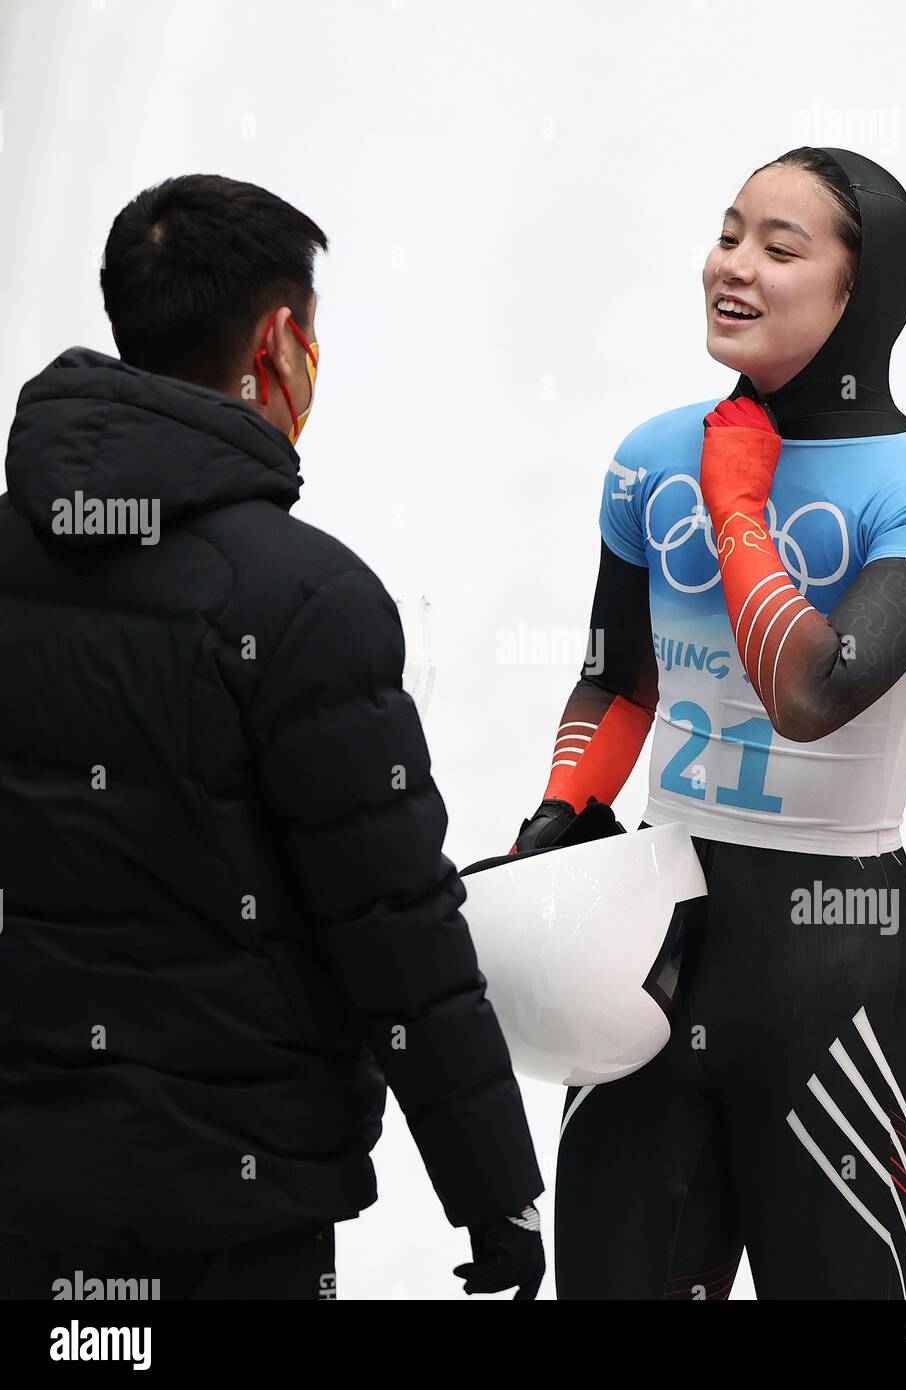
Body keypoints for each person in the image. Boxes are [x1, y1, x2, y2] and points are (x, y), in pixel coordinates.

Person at [0, 174, 544, 1300]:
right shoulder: (308, 599)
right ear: (280, 341)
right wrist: (491, 1188)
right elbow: (389, 918)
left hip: (30, 1175)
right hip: (236, 1205)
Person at [514, 148, 906, 1299]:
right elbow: (617, 681)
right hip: (648, 944)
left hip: (832, 960)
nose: (732, 266)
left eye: (779, 248)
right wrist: (561, 807)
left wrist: (736, 500)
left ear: (858, 293)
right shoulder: (651, 456)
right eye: (728, 233)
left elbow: (814, 695)